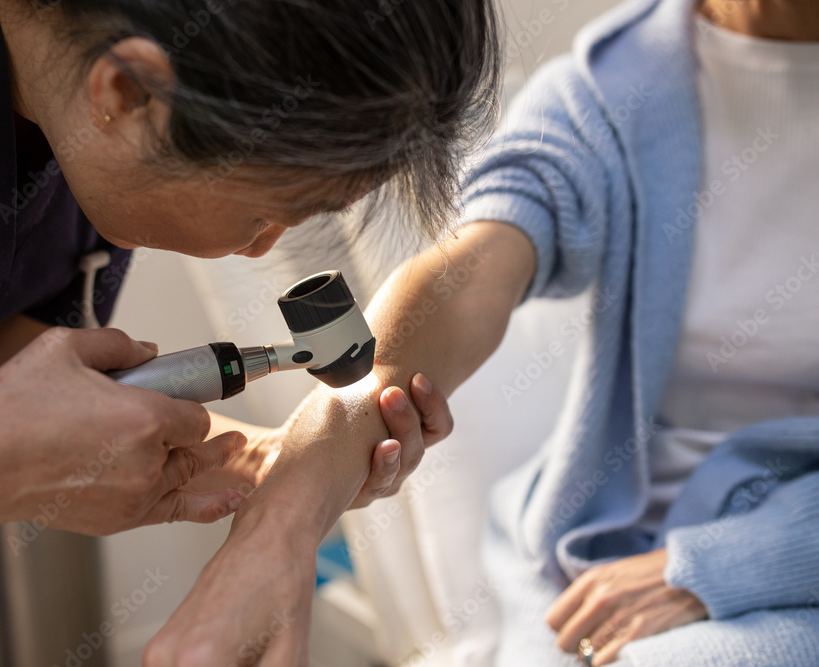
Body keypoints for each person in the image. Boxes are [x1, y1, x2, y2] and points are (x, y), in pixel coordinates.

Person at [0, 0, 500, 662]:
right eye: (271, 212)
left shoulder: (96, 137)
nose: (265, 248)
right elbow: (9, 455)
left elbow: (58, 416)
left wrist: (282, 466)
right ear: (129, 90)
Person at [144, 0, 819, 665]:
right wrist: (278, 529)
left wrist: (732, 565)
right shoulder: (610, 91)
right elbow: (470, 273)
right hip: (600, 558)